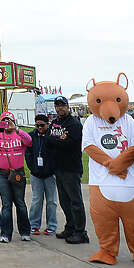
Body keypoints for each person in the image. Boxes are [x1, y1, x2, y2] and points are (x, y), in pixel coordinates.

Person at [47, 96, 88, 244]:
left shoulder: (74, 124)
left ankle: (81, 232)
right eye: (57, 106)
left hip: (71, 168)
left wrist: (55, 140)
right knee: (64, 201)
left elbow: (69, 144)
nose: (60, 108)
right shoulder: (55, 123)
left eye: (62, 105)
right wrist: (58, 140)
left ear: (67, 106)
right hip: (58, 168)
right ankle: (70, 227)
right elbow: (48, 140)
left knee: (75, 201)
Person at [0, 111, 32, 243]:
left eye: (9, 121)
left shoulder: (19, 134)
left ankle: (25, 231)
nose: (6, 124)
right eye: (4, 121)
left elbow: (29, 142)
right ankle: (6, 234)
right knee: (6, 204)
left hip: (18, 172)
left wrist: (16, 129)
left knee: (20, 203)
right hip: (1, 173)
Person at [26, 114, 59, 236]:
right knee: (36, 200)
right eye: (37, 125)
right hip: (36, 174)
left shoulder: (52, 135)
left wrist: (52, 168)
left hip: (50, 174)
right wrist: (33, 167)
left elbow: (57, 153)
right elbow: (28, 153)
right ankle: (34, 225)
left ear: (47, 124)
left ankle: (51, 226)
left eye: (42, 125)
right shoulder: (31, 136)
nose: (39, 127)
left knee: (52, 201)